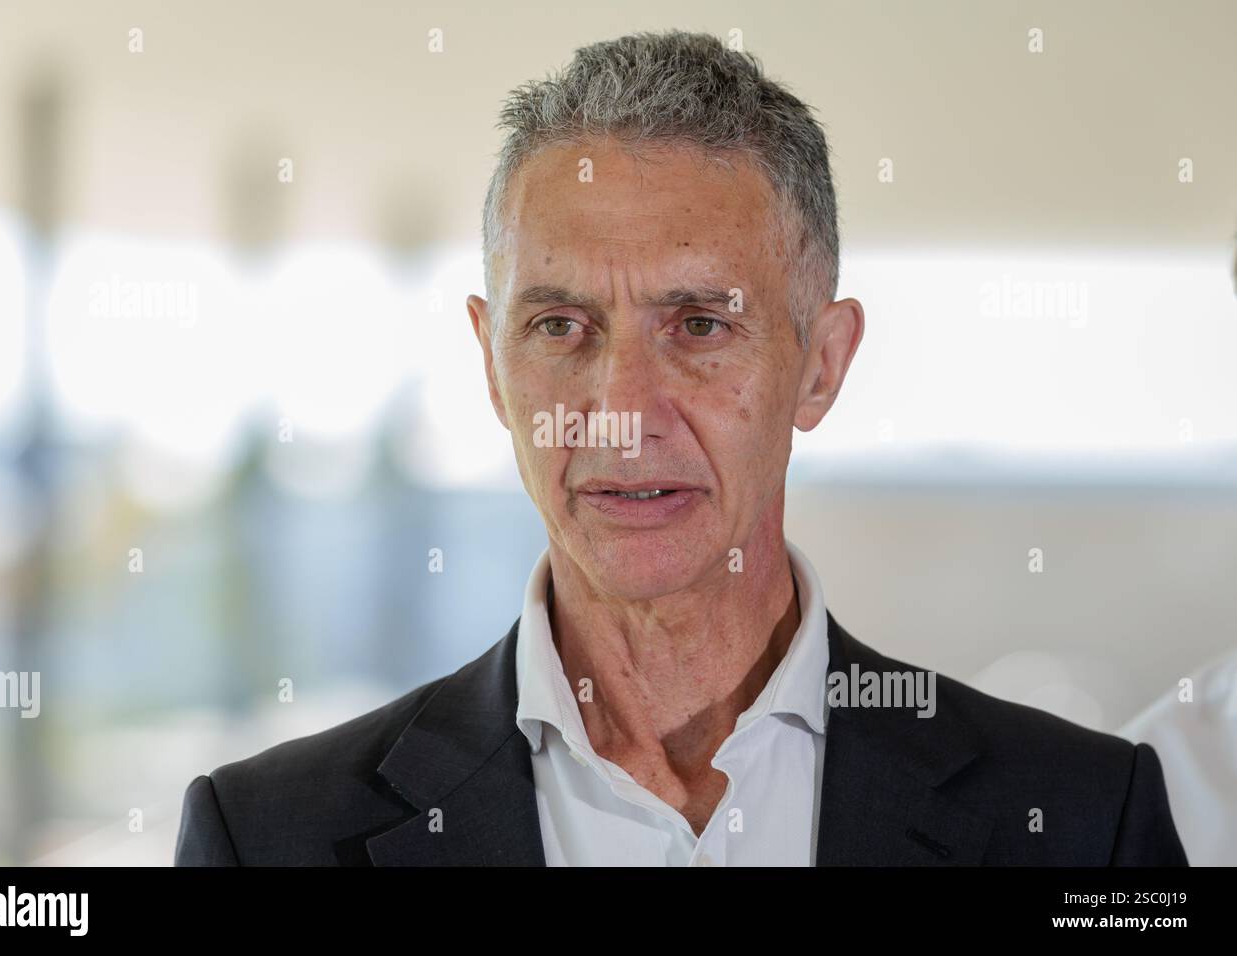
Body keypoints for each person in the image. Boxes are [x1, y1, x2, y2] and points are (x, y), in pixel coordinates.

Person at [175, 30, 1187, 866]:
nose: (621, 409)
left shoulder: (1079, 822)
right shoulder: (269, 838)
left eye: (699, 324)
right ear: (491, 366)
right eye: (561, 327)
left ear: (821, 366)